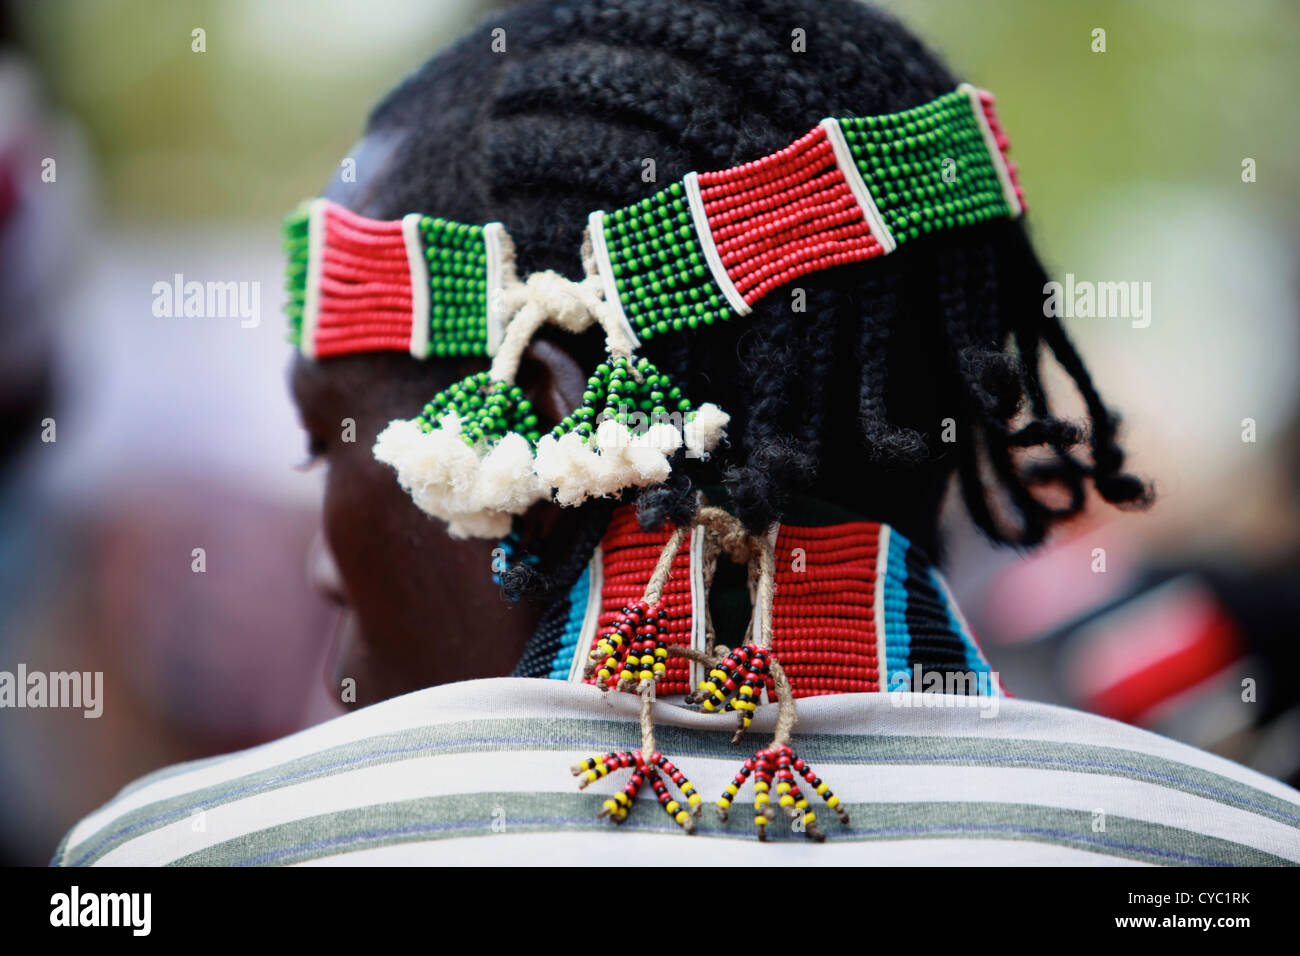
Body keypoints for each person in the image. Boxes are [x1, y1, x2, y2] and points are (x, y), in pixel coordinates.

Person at [55, 0, 1300, 866]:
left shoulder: (177, 856)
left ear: (547, 422)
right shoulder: (1230, 846)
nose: (322, 559)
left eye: (330, 438)